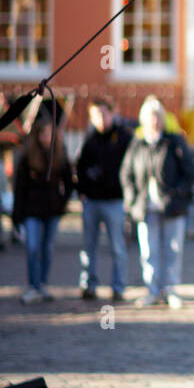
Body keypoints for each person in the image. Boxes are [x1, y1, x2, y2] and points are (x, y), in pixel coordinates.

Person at [120, 98, 194, 308]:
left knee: (173, 250)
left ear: (162, 119)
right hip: (146, 208)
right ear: (143, 120)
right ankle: (152, 290)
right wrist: (132, 200)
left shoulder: (174, 142)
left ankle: (171, 290)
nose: (154, 121)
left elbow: (189, 173)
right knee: (149, 252)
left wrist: (177, 194)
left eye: (157, 116)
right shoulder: (137, 144)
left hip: (172, 207)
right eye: (150, 117)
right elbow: (126, 174)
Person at [12, 110, 74, 303]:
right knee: (33, 247)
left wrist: (63, 202)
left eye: (50, 134)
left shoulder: (60, 155)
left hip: (52, 209)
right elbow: (19, 187)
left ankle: (43, 284)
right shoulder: (27, 158)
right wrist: (17, 215)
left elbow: (69, 182)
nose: (47, 138)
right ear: (38, 135)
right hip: (32, 209)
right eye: (44, 134)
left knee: (47, 248)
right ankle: (33, 285)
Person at [75, 97, 132, 301]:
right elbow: (80, 167)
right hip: (91, 200)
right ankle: (89, 284)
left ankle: (118, 287)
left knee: (117, 246)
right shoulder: (89, 139)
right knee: (89, 246)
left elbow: (129, 168)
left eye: (103, 113)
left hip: (115, 200)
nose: (100, 119)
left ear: (112, 112)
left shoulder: (124, 137)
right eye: (95, 115)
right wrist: (82, 188)